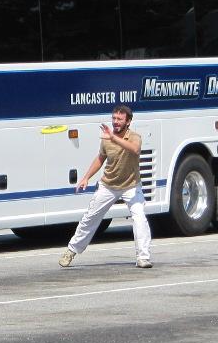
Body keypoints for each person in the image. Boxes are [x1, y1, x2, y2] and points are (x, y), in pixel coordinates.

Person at [59, 104, 153, 269]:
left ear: (128, 121)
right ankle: (71, 251)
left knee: (140, 217)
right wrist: (86, 177)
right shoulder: (106, 140)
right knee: (90, 217)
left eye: (120, 119)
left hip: (131, 185)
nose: (116, 122)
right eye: (114, 118)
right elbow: (100, 159)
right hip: (108, 185)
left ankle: (143, 258)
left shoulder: (135, 137)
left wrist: (113, 138)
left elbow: (135, 150)